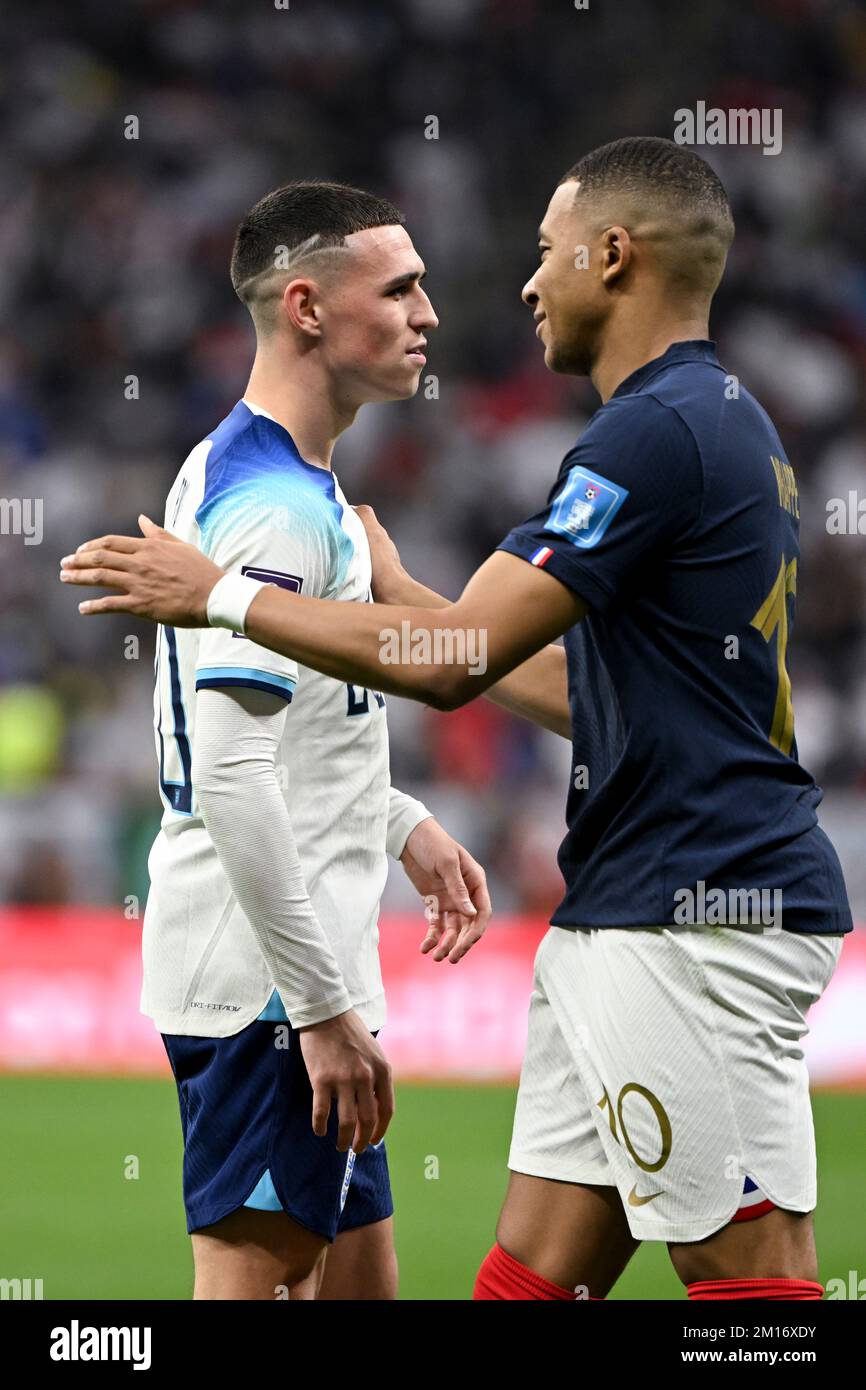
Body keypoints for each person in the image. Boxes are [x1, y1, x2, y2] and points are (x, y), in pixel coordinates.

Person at [61, 138, 852, 1302]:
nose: (521, 285)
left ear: (612, 254)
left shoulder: (648, 433)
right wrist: (414, 620)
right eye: (402, 287)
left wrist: (226, 596)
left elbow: (463, 660)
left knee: (751, 1284)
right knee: (532, 1278)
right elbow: (601, 699)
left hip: (694, 912)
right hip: (627, 911)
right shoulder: (727, 422)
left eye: (543, 252)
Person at [83, 179, 504, 1301]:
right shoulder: (274, 507)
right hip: (274, 992)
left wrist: (398, 819)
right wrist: (317, 1011)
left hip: (302, 975)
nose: (427, 315)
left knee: (362, 1288)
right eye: (401, 288)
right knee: (252, 1289)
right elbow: (228, 772)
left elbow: (284, 727)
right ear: (309, 306)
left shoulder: (268, 478)